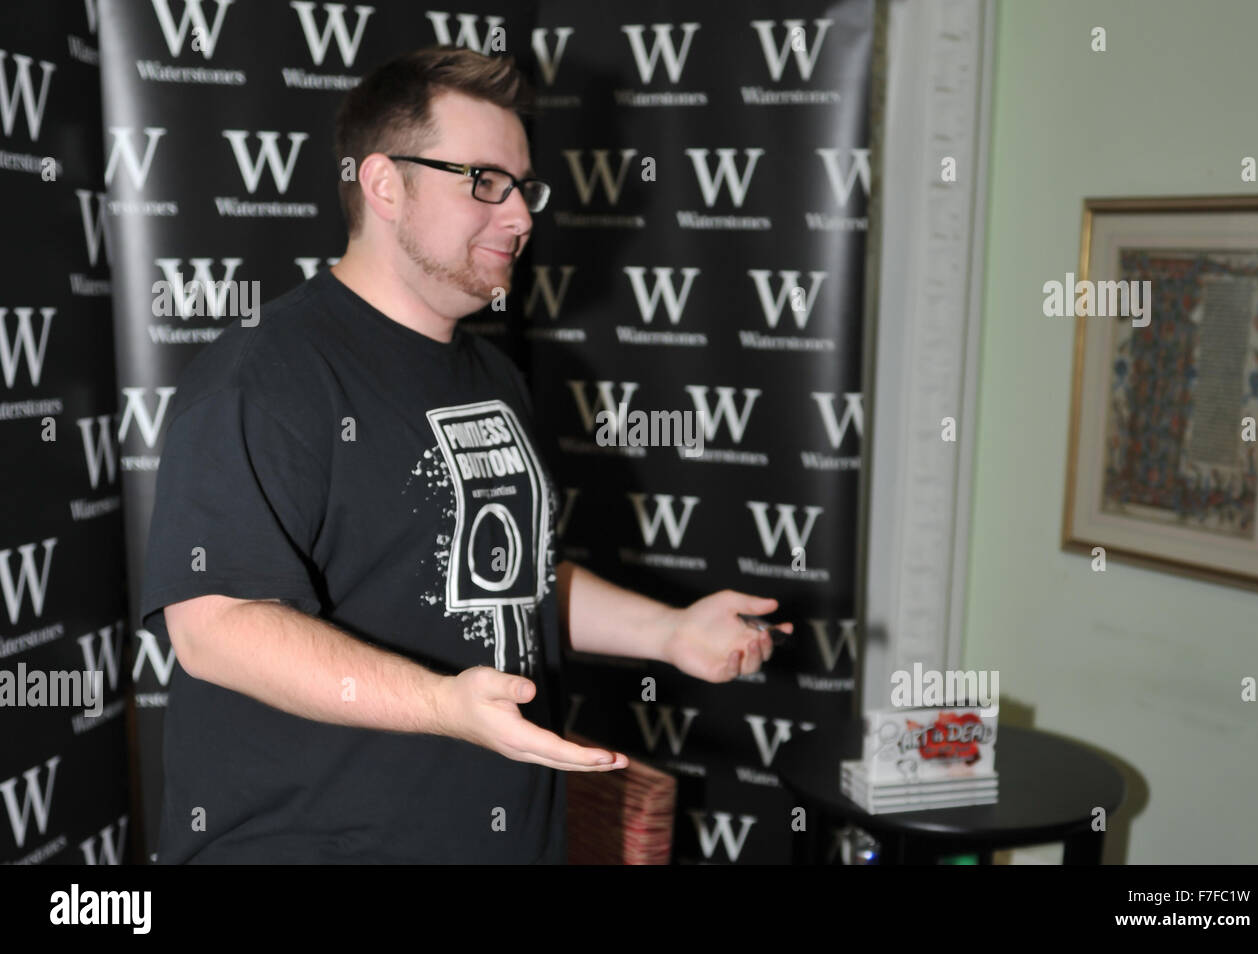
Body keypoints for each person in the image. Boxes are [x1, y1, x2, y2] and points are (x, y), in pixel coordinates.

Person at [139, 44, 792, 864]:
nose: (520, 217)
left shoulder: (491, 373)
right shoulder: (262, 374)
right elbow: (217, 628)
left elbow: (508, 583)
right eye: (484, 181)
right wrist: (443, 704)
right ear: (383, 183)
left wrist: (670, 632)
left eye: (524, 187)